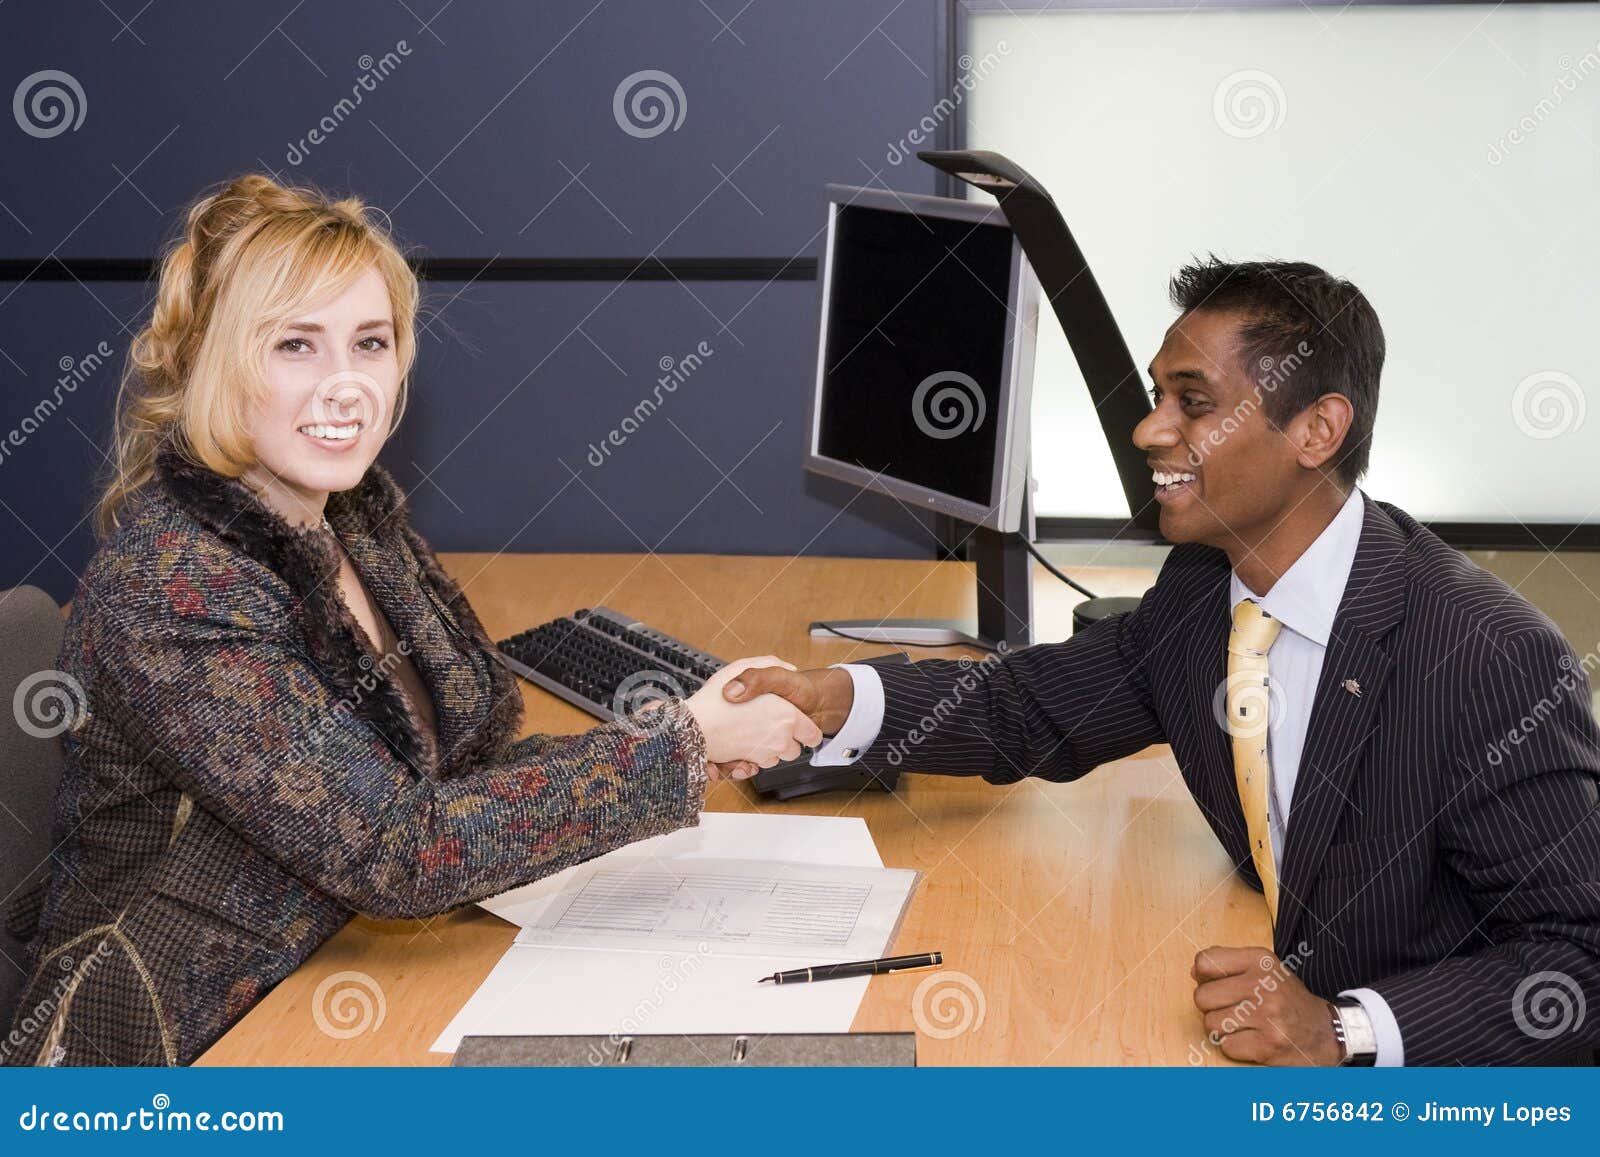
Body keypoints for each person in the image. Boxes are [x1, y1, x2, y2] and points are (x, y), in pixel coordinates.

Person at [2, 174, 817, 1067]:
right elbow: (395, 849)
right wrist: (679, 748)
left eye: (371, 343)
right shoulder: (172, 587)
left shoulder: (351, 523)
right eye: (296, 346)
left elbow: (459, 773)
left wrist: (677, 739)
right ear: (211, 360)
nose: (346, 385)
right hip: (166, 1046)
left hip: (330, 969)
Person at [719, 258, 1600, 1067]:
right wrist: (835, 696)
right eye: (1155, 395)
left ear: (1318, 430)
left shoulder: (1486, 655)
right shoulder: (1202, 583)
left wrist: (1344, 1028)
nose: (1148, 429)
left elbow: (1582, 962)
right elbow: (1033, 705)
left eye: (1194, 403)